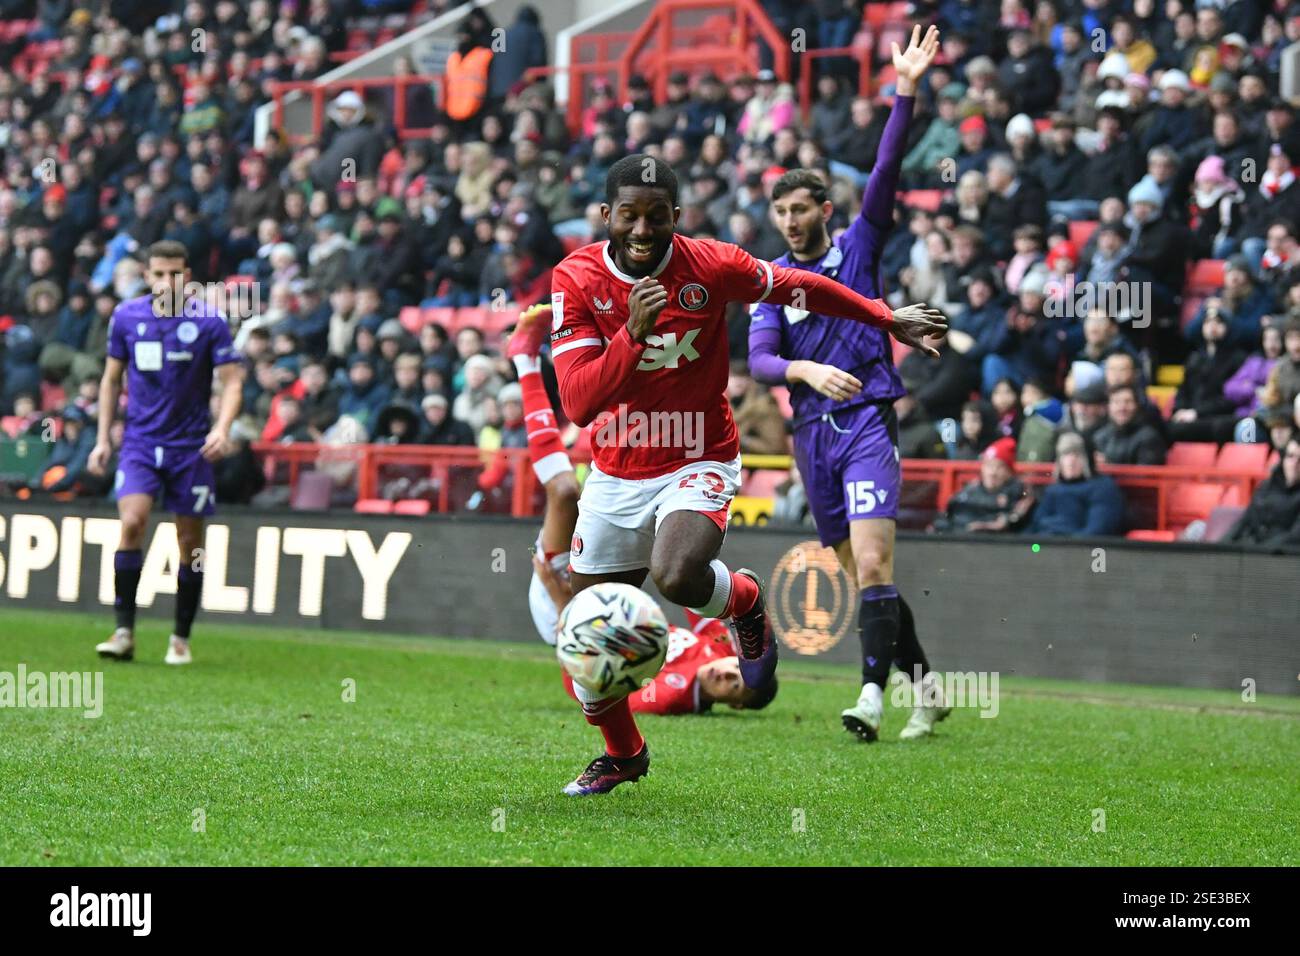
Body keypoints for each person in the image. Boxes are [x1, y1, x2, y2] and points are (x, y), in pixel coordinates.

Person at [547, 149, 946, 794]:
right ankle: (625, 755)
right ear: (606, 217)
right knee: (585, 645)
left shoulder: (713, 263)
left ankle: (744, 603)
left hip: (700, 452)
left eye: (657, 217)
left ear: (676, 217)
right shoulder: (576, 278)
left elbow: (805, 286)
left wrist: (884, 317)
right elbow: (580, 402)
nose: (643, 231)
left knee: (675, 575)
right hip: (617, 468)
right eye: (629, 217)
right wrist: (632, 334)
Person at [749, 25, 952, 744]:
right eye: (780, 212)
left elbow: (888, 171)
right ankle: (928, 690)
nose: (791, 220)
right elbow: (762, 360)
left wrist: (904, 89)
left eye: (801, 209)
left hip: (867, 418)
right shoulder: (772, 283)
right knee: (868, 579)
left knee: (872, 562)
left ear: (823, 212)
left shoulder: (858, 251)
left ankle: (870, 696)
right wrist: (802, 369)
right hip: (812, 436)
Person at [507, 302, 779, 720]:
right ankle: (528, 357)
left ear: (730, 706)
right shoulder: (717, 647)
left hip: (567, 615)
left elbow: (584, 663)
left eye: (734, 691)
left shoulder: (672, 695)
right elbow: (688, 595)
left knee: (562, 491)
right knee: (570, 484)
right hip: (620, 555)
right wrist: (668, 540)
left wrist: (554, 585)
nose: (727, 677)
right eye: (737, 673)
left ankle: (525, 361)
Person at [87, 240, 244, 665]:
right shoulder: (126, 316)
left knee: (190, 543)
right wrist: (103, 438)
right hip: (140, 442)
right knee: (133, 522)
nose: (166, 281)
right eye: (158, 274)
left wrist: (222, 427)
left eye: (175, 274)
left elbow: (232, 381)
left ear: (187, 276)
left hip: (191, 448)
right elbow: (110, 380)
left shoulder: (209, 322)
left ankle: (180, 637)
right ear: (147, 276)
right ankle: (123, 632)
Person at [1028, 431, 1125, 537]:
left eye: (1077, 455)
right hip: (1045, 546)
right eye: (1065, 454)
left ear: (1088, 459)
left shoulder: (1103, 488)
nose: (1071, 461)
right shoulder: (1052, 490)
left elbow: (1097, 530)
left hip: (1081, 549)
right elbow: (1035, 526)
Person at [932, 437, 1034, 533]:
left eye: (999, 467)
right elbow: (946, 515)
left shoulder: (1019, 493)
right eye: (989, 466)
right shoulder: (970, 490)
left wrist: (989, 527)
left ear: (1009, 471)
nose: (992, 473)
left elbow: (1015, 520)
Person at [1226, 435, 1300, 548]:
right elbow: (1244, 521)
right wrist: (1218, 549)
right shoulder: (1266, 486)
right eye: (1290, 456)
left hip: (1279, 559)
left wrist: (1258, 552)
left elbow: (1294, 537)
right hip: (1251, 551)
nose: (1294, 463)